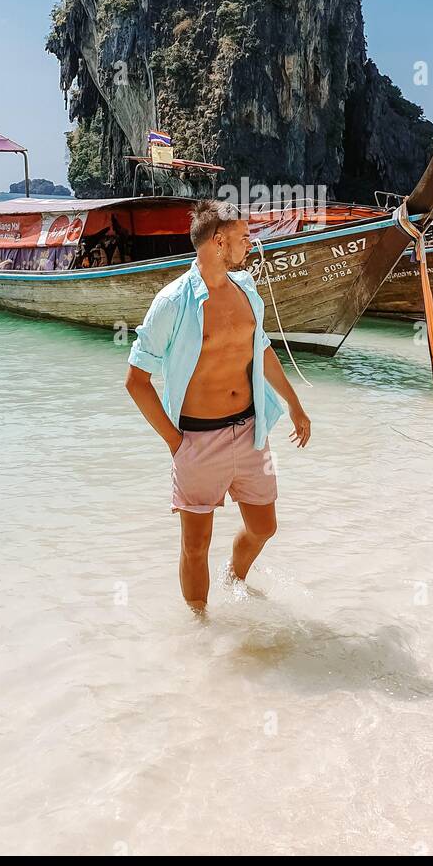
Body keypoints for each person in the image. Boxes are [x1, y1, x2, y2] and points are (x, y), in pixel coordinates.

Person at [125, 200, 311, 611]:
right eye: (244, 236)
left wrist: (294, 404)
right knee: (195, 545)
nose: (250, 243)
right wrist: (175, 443)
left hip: (251, 431)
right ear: (218, 242)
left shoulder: (247, 290)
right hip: (196, 439)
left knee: (264, 526)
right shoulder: (173, 302)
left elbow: (260, 350)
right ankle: (199, 631)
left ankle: (235, 576)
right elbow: (136, 380)